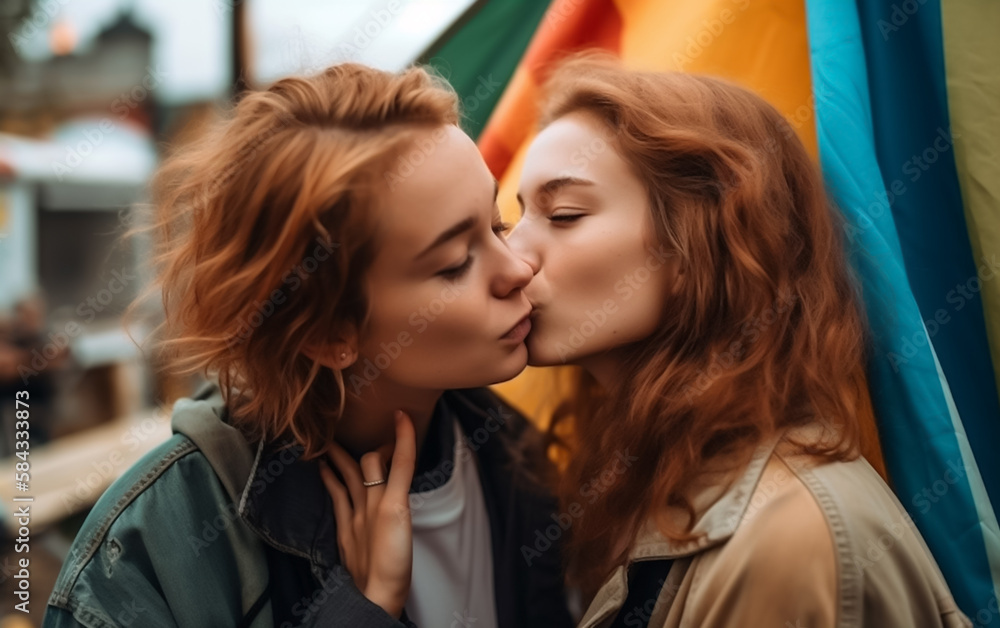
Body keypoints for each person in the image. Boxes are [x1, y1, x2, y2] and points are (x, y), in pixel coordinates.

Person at [337, 54, 972, 627]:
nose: (514, 256)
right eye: (516, 216)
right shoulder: (628, 482)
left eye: (563, 216)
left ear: (703, 245)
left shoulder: (788, 536)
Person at [43, 62, 573, 628]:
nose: (517, 267)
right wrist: (358, 615)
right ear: (327, 333)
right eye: (453, 264)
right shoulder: (147, 558)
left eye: (496, 224)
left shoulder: (519, 458)